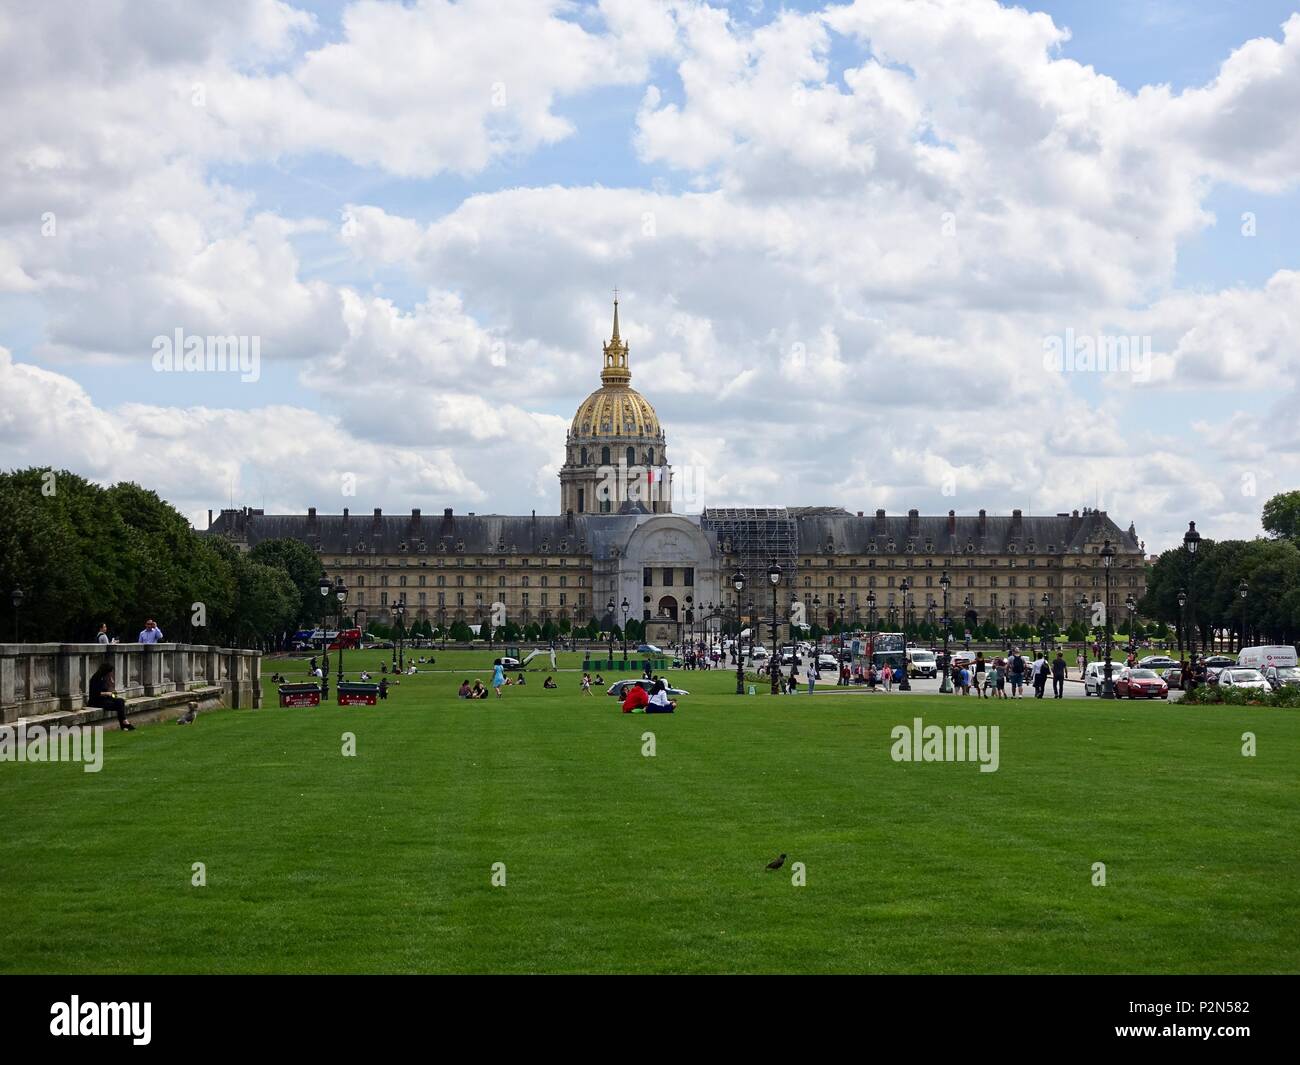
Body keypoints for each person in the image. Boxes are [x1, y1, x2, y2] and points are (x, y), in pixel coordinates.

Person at [88, 662, 134, 731]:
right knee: (119, 705)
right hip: (96, 701)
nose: (110, 674)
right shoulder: (96, 678)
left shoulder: (105, 679)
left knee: (120, 701)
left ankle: (124, 723)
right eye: (109, 672)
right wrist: (107, 693)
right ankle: (124, 723)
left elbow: (111, 693)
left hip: (105, 699)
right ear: (105, 672)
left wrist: (113, 690)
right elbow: (96, 693)